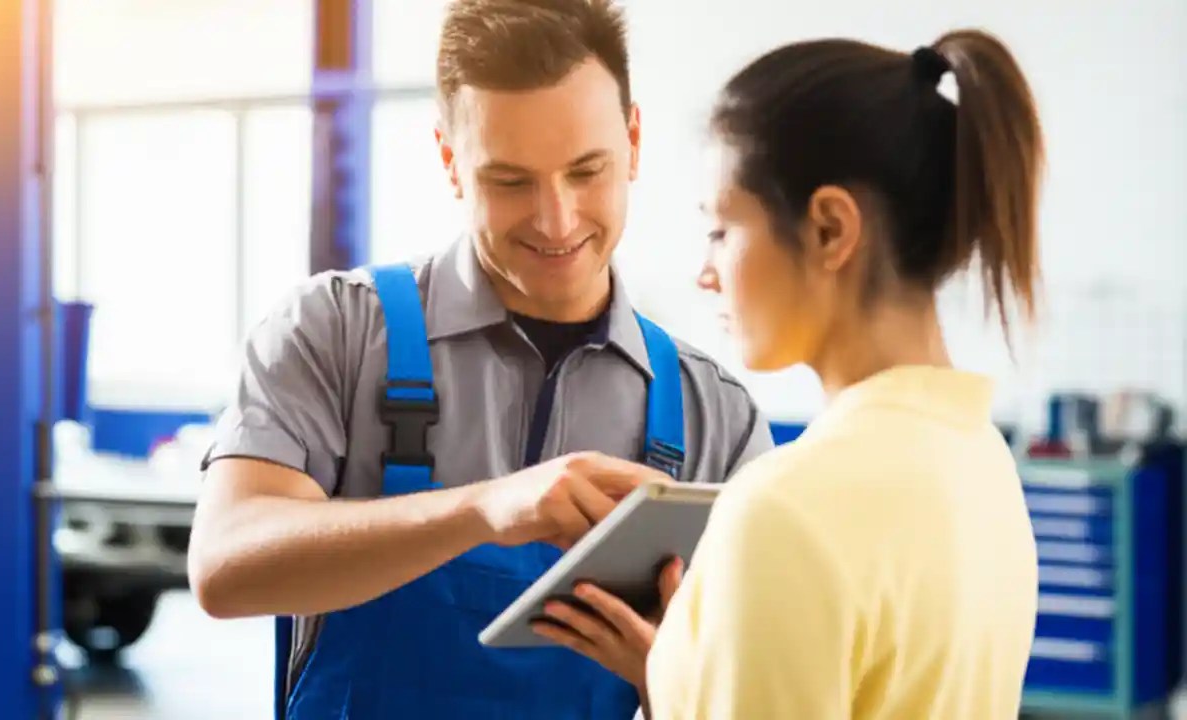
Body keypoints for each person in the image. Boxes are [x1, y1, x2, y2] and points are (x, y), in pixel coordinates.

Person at [187, 1, 773, 718]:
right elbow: (224, 567)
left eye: (587, 171)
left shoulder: (718, 419)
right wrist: (485, 508)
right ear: (450, 161)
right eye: (510, 181)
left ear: (634, 141)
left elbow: (759, 695)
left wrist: (670, 679)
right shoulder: (334, 331)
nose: (557, 219)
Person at [533, 29, 1044, 719]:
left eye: (722, 230)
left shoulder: (783, 510)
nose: (706, 273)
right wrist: (685, 670)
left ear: (830, 228)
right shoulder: (982, 460)